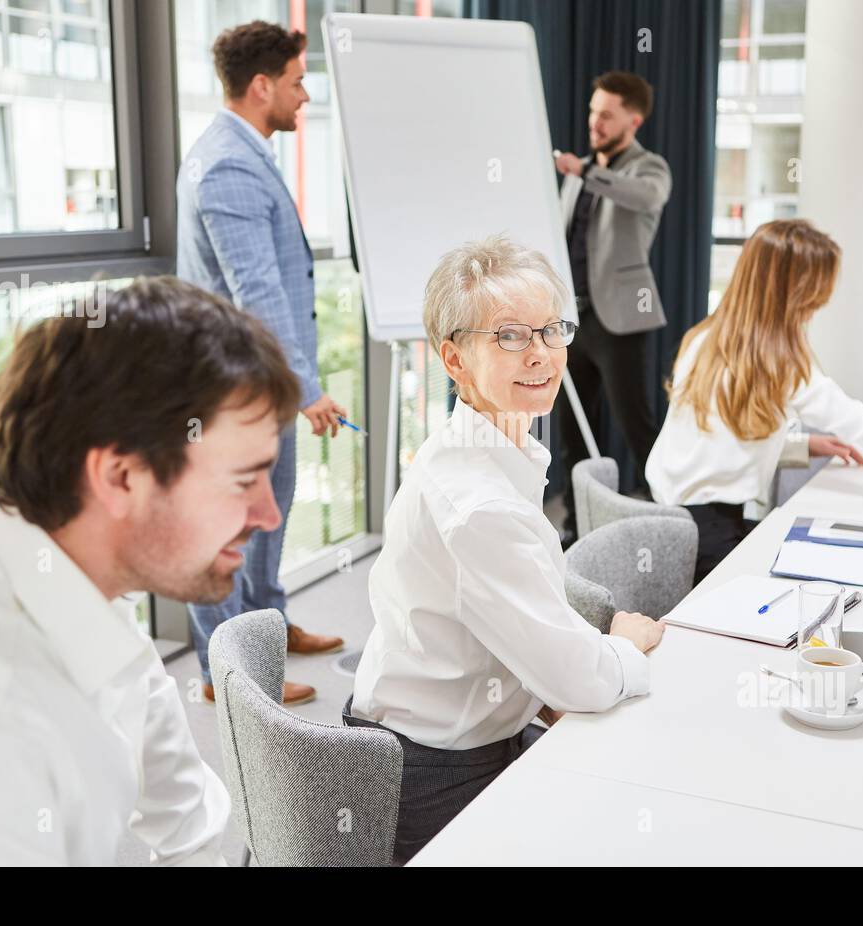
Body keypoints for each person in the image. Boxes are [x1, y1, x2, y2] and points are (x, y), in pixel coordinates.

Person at [0, 277, 301, 864]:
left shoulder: (46, 525)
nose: (268, 514)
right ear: (118, 478)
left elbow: (173, 782)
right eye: (243, 480)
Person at [347, 236, 665, 864]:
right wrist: (625, 642)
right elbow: (580, 683)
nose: (541, 354)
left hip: (442, 734)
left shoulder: (488, 449)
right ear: (454, 360)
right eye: (510, 336)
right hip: (435, 773)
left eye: (551, 330)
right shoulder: (479, 505)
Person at [647, 219, 863, 581]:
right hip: (711, 537)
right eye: (814, 295)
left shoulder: (705, 339)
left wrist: (800, 445)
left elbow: (715, 440)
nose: (816, 308)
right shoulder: (778, 360)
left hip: (668, 519)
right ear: (795, 292)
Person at [177, 20, 345, 705]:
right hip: (233, 389)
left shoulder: (245, 150)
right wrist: (305, 387)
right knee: (229, 521)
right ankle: (232, 673)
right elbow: (258, 294)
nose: (306, 96)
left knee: (267, 508)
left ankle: (267, 629)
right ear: (262, 85)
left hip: (256, 384)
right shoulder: (227, 163)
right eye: (300, 82)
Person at [553, 70, 671, 545]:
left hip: (621, 320)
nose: (594, 122)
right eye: (592, 111)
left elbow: (645, 197)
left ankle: (665, 520)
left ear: (633, 120)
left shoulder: (647, 168)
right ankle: (577, 527)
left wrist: (587, 173)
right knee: (574, 432)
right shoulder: (580, 170)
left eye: (606, 114)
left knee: (638, 426)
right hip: (572, 318)